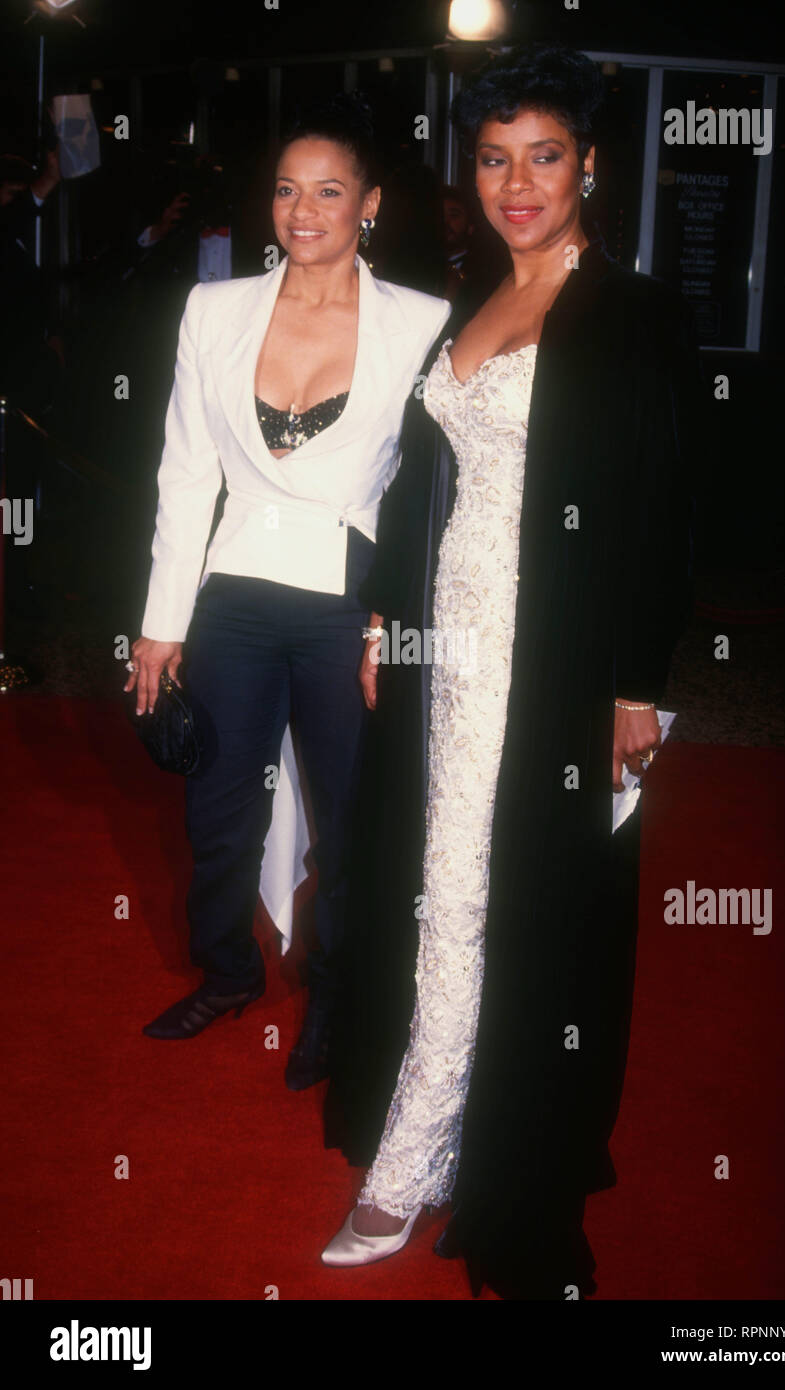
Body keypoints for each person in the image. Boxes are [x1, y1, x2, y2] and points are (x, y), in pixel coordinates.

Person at [321, 44, 702, 1298]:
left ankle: (433, 1154)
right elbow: (428, 484)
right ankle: (435, 1124)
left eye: (545, 156)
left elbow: (665, 508)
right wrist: (390, 624)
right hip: (451, 649)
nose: (518, 183)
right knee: (436, 885)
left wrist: (636, 686)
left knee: (507, 902)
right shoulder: (473, 296)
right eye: (494, 159)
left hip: (557, 659)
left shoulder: (632, 312)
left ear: (590, 163)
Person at [124, 94, 450, 1090]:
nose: (302, 210)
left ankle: (339, 999)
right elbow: (183, 471)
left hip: (349, 600)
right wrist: (158, 623)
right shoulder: (214, 310)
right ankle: (228, 970)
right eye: (285, 189)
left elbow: (427, 494)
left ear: (370, 204)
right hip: (232, 592)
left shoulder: (423, 323)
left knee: (352, 816)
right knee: (218, 809)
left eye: (329, 191)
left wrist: (392, 621)